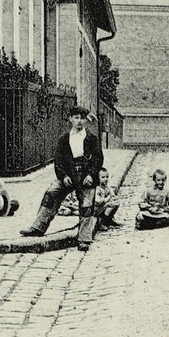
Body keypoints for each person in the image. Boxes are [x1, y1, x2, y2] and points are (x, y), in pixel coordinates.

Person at [20, 105, 104, 250]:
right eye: (76, 118)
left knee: (86, 205)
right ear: (70, 119)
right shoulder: (64, 139)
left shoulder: (92, 138)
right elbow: (58, 160)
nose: (79, 121)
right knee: (51, 193)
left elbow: (98, 158)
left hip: (86, 175)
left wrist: (91, 174)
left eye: (82, 118)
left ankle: (84, 239)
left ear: (86, 121)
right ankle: (38, 227)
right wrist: (63, 176)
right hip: (69, 174)